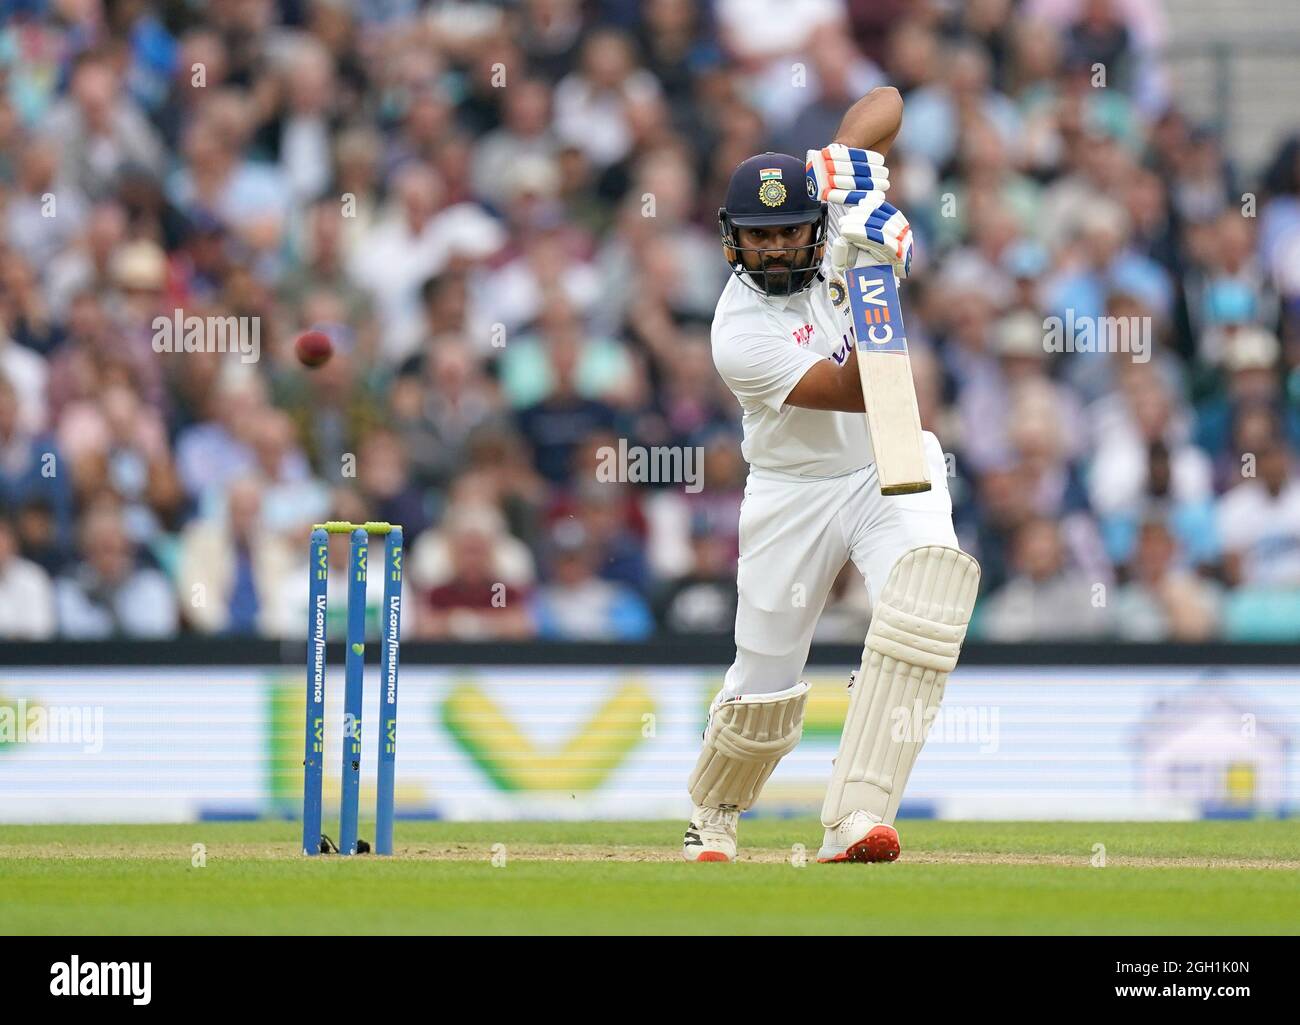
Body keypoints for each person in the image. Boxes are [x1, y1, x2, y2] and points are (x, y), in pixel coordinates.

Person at [683, 87, 981, 864]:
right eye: (760, 238)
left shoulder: (837, 226)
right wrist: (880, 271)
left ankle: (857, 814)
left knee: (923, 612)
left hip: (888, 463)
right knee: (766, 677)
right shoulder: (737, 332)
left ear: (812, 225)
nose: (777, 251)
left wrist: (843, 166)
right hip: (794, 486)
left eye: (789, 233)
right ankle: (713, 811)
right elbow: (861, 386)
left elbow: (886, 100)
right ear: (732, 243)